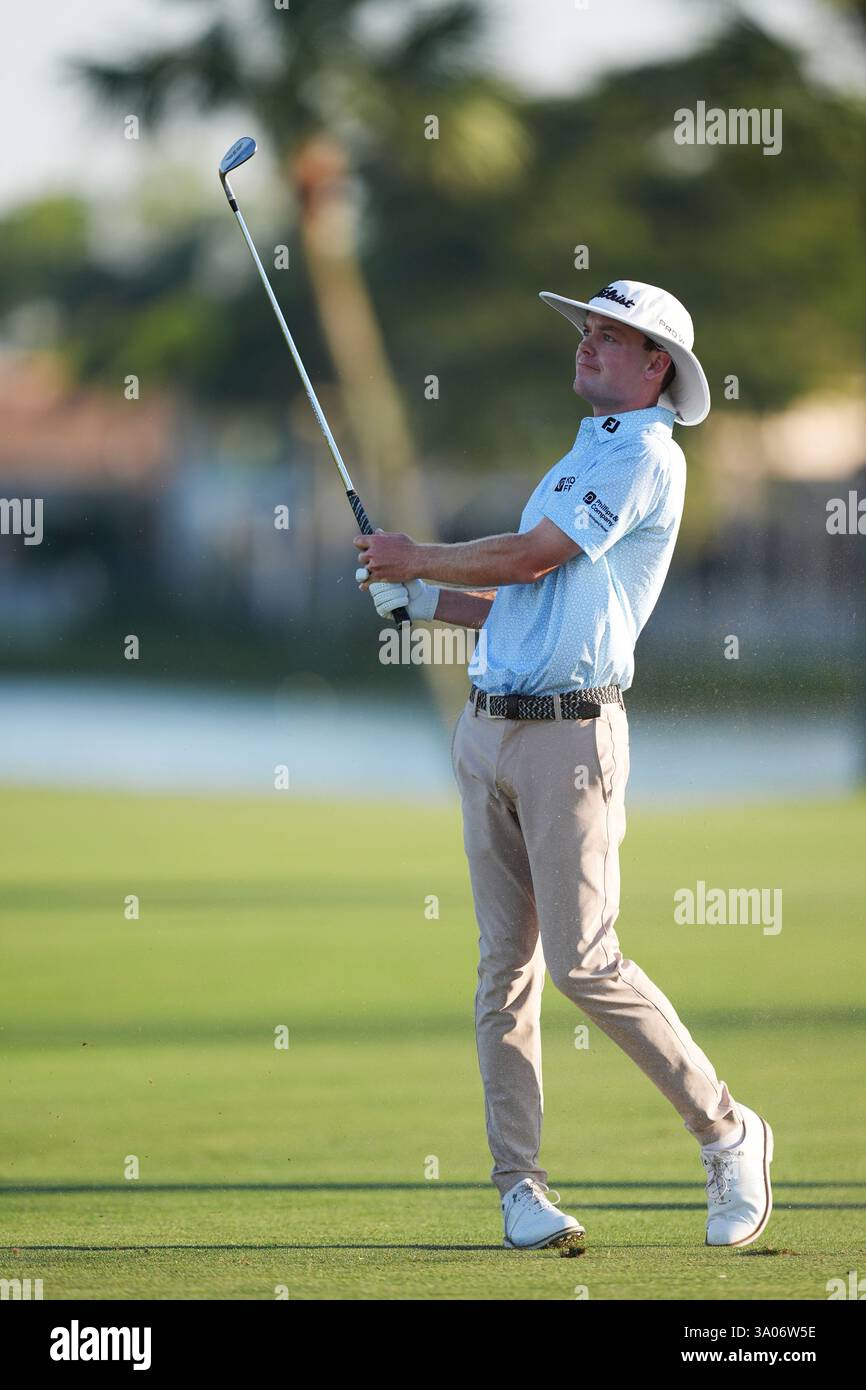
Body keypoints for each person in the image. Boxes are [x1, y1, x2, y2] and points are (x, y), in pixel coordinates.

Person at [354, 280, 773, 1253]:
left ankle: (725, 1131)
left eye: (610, 335)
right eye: (587, 329)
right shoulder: (584, 452)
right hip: (488, 731)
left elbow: (529, 560)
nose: (586, 343)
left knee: (584, 962)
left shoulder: (645, 458)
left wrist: (416, 556)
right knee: (503, 970)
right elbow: (523, 607)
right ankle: (520, 1189)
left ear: (656, 365)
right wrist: (423, 601)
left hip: (570, 740)